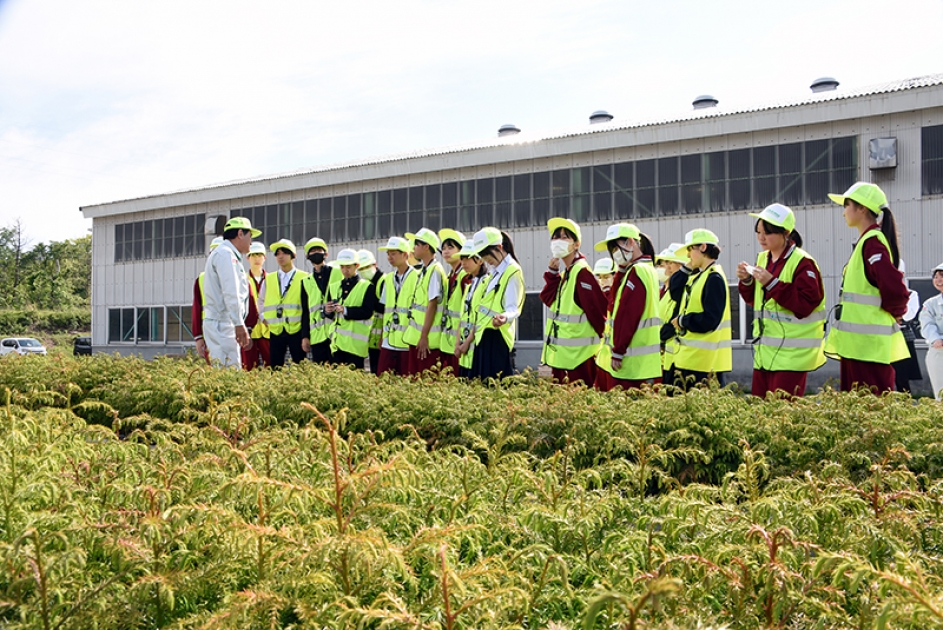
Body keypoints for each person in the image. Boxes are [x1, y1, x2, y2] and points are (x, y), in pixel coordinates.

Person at [824, 182, 910, 393]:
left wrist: (897, 313)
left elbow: (896, 291)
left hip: (868, 350)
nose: (843, 213)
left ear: (861, 208)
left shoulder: (872, 243)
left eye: (846, 206)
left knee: (870, 415)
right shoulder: (868, 242)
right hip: (859, 348)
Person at [735, 203, 826, 397]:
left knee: (782, 416)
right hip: (764, 354)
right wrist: (747, 281)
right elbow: (755, 300)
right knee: (761, 416)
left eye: (767, 233)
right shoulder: (763, 259)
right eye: (758, 232)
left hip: (792, 356)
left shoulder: (802, 262)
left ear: (785, 233)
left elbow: (805, 305)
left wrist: (772, 283)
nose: (761, 237)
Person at [593, 223, 662, 391]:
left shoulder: (638, 271)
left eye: (616, 248)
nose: (615, 255)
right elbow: (614, 303)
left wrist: (618, 350)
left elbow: (628, 314)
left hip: (628, 363)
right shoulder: (645, 269)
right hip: (639, 363)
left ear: (631, 242)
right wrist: (621, 272)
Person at [540, 218, 607, 386]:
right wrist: (552, 274)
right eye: (555, 237)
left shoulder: (582, 273)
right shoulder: (567, 274)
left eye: (564, 237)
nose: (558, 242)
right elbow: (549, 299)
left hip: (580, 360)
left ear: (576, 244)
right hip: (564, 358)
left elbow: (599, 314)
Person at [669, 229, 732, 389]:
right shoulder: (699, 276)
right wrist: (687, 267)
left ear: (703, 247)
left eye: (690, 250)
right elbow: (675, 291)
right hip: (691, 360)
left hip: (703, 364)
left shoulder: (714, 278)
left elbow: (710, 319)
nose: (688, 256)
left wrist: (683, 321)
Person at [468, 227, 525, 380]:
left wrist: (504, 317)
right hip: (483, 336)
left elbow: (514, 307)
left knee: (495, 387)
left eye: (487, 254)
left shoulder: (513, 271)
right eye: (482, 255)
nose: (486, 259)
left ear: (499, 247)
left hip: (497, 336)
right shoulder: (493, 272)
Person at [202, 217, 259, 368]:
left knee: (224, 368)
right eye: (250, 236)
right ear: (240, 233)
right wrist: (239, 324)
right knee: (228, 371)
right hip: (222, 322)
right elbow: (231, 291)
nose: (251, 242)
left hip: (222, 322)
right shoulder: (226, 255)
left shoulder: (225, 254)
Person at [403, 228, 447, 375]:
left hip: (427, 342)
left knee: (426, 381)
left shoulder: (434, 270)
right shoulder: (425, 270)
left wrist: (423, 336)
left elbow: (432, 304)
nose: (413, 247)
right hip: (419, 339)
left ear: (426, 246)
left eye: (416, 244)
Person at [263, 239, 310, 368]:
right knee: (275, 366)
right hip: (276, 329)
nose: (280, 256)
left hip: (296, 328)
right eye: (277, 254)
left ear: (293, 255)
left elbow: (308, 305)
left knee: (300, 366)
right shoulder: (269, 278)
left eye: (284, 253)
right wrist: (263, 318)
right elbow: (260, 300)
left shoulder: (304, 277)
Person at [329, 249, 378, 370]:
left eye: (348, 267)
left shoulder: (367, 287)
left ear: (357, 266)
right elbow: (332, 316)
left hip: (355, 346)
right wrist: (327, 311)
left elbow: (367, 312)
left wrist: (346, 310)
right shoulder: (334, 287)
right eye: (342, 267)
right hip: (337, 344)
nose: (345, 270)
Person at [376, 236, 419, 376]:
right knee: (384, 379)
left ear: (405, 254)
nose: (389, 257)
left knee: (405, 379)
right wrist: (382, 336)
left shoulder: (417, 277)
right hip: (389, 340)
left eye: (393, 253)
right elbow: (385, 311)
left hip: (407, 341)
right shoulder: (388, 279)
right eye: (388, 254)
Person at [301, 237, 343, 364]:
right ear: (308, 256)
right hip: (317, 337)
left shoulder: (338, 273)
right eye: (312, 251)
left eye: (319, 250)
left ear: (326, 254)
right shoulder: (306, 282)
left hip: (337, 334)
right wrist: (305, 337)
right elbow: (305, 312)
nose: (316, 253)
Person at [454, 238, 490, 378]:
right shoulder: (469, 285)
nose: (464, 263)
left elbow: (481, 318)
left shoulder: (487, 283)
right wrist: (457, 343)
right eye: (462, 259)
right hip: (464, 352)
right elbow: (462, 317)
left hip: (477, 350)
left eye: (468, 258)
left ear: (480, 260)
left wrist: (467, 342)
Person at [438, 229, 468, 375]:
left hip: (459, 343)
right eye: (443, 248)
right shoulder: (450, 275)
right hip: (447, 343)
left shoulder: (465, 276)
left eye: (451, 247)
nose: (446, 251)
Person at [655, 242, 686, 383]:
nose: (666, 267)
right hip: (665, 355)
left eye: (669, 262)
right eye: (663, 263)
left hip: (677, 355)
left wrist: (659, 338)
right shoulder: (663, 292)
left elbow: (673, 321)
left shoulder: (681, 290)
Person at [192, 236, 223, 365]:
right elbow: (196, 309)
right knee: (213, 367)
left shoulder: (240, 276)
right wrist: (198, 336)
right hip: (209, 331)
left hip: (234, 331)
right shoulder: (201, 279)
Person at [242, 241, 271, 370]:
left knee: (271, 367)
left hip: (268, 331)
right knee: (248, 368)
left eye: (259, 255)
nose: (257, 259)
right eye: (253, 255)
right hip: (249, 332)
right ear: (248, 257)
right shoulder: (242, 279)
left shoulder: (272, 280)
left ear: (265, 257)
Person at [357, 249, 385, 375]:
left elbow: (386, 309)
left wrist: (371, 302)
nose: (364, 271)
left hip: (381, 339)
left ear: (375, 264)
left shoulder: (383, 281)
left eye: (367, 267)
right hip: (370, 339)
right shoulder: (365, 284)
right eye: (361, 269)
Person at [919, 263, 943, 400]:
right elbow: (927, 325)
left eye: (942, 276)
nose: (939, 280)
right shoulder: (930, 304)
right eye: (936, 277)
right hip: (938, 353)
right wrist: (936, 339)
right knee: (940, 393)